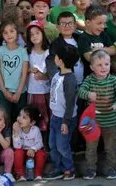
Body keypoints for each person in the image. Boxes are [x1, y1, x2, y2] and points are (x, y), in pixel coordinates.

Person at [77, 49, 116, 180]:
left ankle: (112, 169)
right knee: (91, 148)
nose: (103, 67)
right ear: (92, 67)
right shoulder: (89, 79)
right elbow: (80, 91)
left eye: (106, 64)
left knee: (111, 147)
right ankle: (90, 169)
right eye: (99, 65)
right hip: (92, 122)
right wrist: (88, 94)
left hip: (109, 121)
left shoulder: (113, 80)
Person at [43, 43, 80, 182]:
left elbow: (70, 104)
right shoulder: (58, 74)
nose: (54, 58)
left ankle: (69, 169)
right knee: (53, 145)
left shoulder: (69, 80)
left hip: (65, 119)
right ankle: (58, 168)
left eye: (57, 56)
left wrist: (66, 122)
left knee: (62, 146)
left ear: (61, 60)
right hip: (55, 116)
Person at [12, 106, 45, 181]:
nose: (20, 118)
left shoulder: (35, 130)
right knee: (18, 152)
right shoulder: (17, 129)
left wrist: (33, 149)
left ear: (32, 122)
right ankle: (19, 174)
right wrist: (16, 133)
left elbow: (40, 143)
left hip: (33, 153)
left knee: (41, 154)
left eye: (24, 117)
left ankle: (38, 174)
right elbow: (17, 146)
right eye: (19, 115)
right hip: (23, 153)